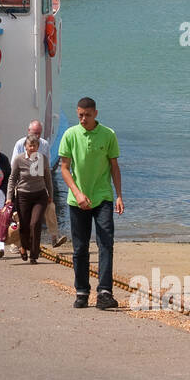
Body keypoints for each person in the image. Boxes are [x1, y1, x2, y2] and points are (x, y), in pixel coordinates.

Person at [59, 97, 124, 310]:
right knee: (80, 248)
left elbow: (114, 166)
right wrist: (77, 193)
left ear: (95, 113)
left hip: (103, 196)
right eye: (80, 115)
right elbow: (65, 169)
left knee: (106, 243)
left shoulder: (108, 134)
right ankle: (82, 292)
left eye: (87, 115)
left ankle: (104, 292)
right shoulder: (70, 135)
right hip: (77, 200)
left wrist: (119, 195)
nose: (83, 119)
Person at [11, 119, 69, 249]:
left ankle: (54, 237)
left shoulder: (44, 144)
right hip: (23, 184)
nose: (37, 136)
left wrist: (48, 191)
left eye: (39, 133)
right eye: (35, 133)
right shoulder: (20, 144)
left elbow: (46, 168)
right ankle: (17, 243)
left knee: (50, 207)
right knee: (21, 215)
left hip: (39, 184)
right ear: (28, 131)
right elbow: (14, 168)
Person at [6, 126, 51, 263]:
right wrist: (9, 197)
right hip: (23, 195)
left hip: (39, 195)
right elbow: (12, 178)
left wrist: (50, 195)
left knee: (35, 223)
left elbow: (48, 177)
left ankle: (34, 255)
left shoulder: (42, 158)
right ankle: (24, 248)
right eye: (30, 146)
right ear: (25, 146)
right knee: (24, 225)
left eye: (35, 146)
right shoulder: (19, 160)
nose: (32, 148)